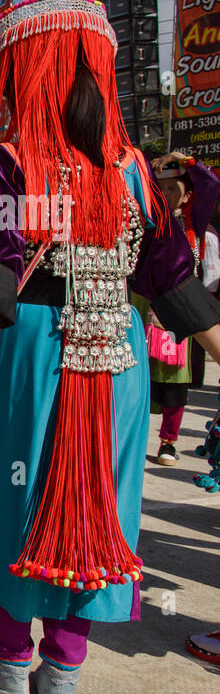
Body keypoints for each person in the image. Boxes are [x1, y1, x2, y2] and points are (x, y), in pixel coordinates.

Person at [0, 0, 220, 694]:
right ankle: (63, 675)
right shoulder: (134, 172)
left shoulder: (13, 162)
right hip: (116, 355)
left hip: (30, 349)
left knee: (14, 498)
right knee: (96, 505)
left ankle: (8, 661)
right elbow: (171, 276)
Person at [133, 152, 220, 465]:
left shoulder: (194, 222)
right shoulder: (144, 219)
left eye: (174, 189)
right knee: (137, 373)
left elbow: (210, 184)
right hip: (143, 304)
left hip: (180, 303)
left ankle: (168, 442)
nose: (167, 194)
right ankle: (132, 437)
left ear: (187, 196)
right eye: (162, 187)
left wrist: (189, 162)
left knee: (174, 376)